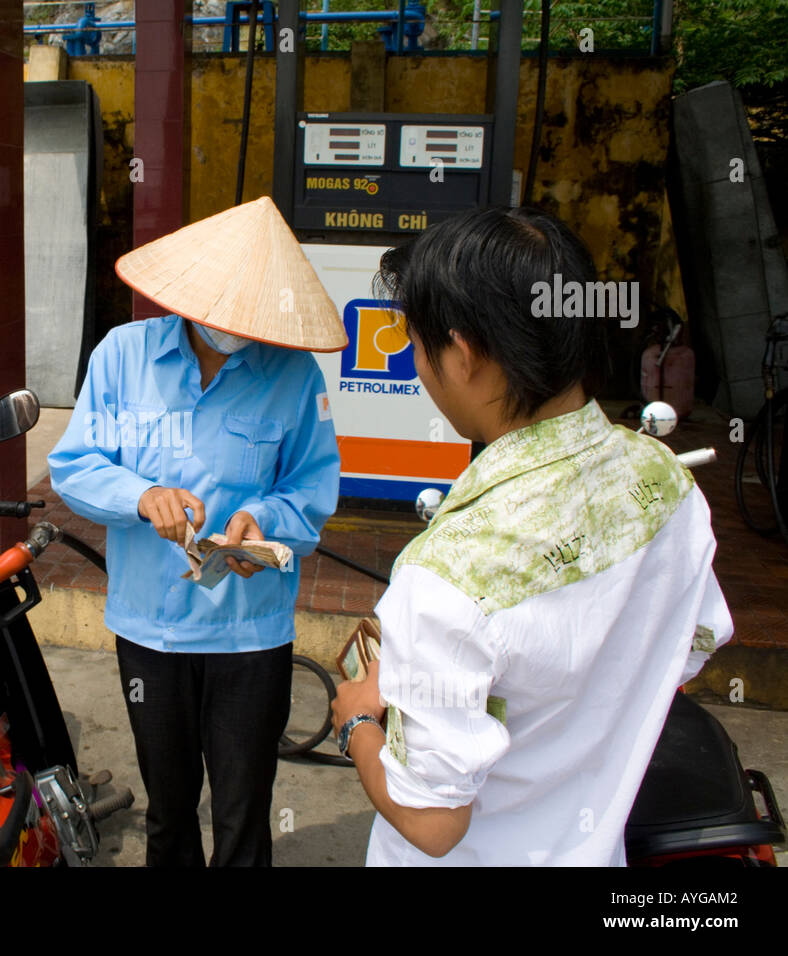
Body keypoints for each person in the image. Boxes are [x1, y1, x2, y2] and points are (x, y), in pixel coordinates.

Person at [329, 206, 733, 865]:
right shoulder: (665, 483)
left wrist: (356, 722)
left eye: (417, 343)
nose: (417, 364)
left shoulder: (446, 577)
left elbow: (432, 823)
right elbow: (691, 645)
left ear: (465, 355)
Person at [49, 196, 345, 866]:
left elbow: (312, 490)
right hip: (151, 630)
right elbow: (72, 466)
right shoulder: (123, 357)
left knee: (244, 813)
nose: (237, 327)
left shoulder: (294, 375)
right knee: (169, 809)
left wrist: (262, 521)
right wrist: (141, 494)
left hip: (251, 631)